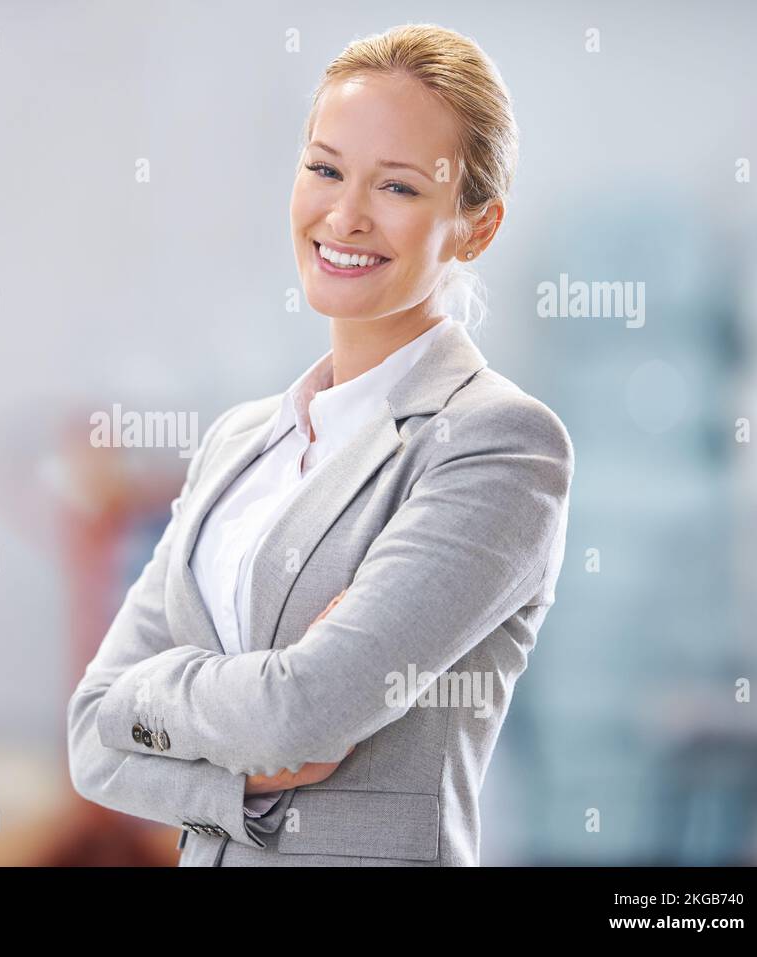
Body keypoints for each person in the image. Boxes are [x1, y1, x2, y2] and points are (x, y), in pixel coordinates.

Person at [67, 22, 574, 866]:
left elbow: (304, 713)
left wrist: (162, 699)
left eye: (400, 187)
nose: (345, 215)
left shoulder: (499, 444)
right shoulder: (240, 443)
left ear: (476, 226)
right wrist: (241, 763)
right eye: (325, 168)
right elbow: (91, 734)